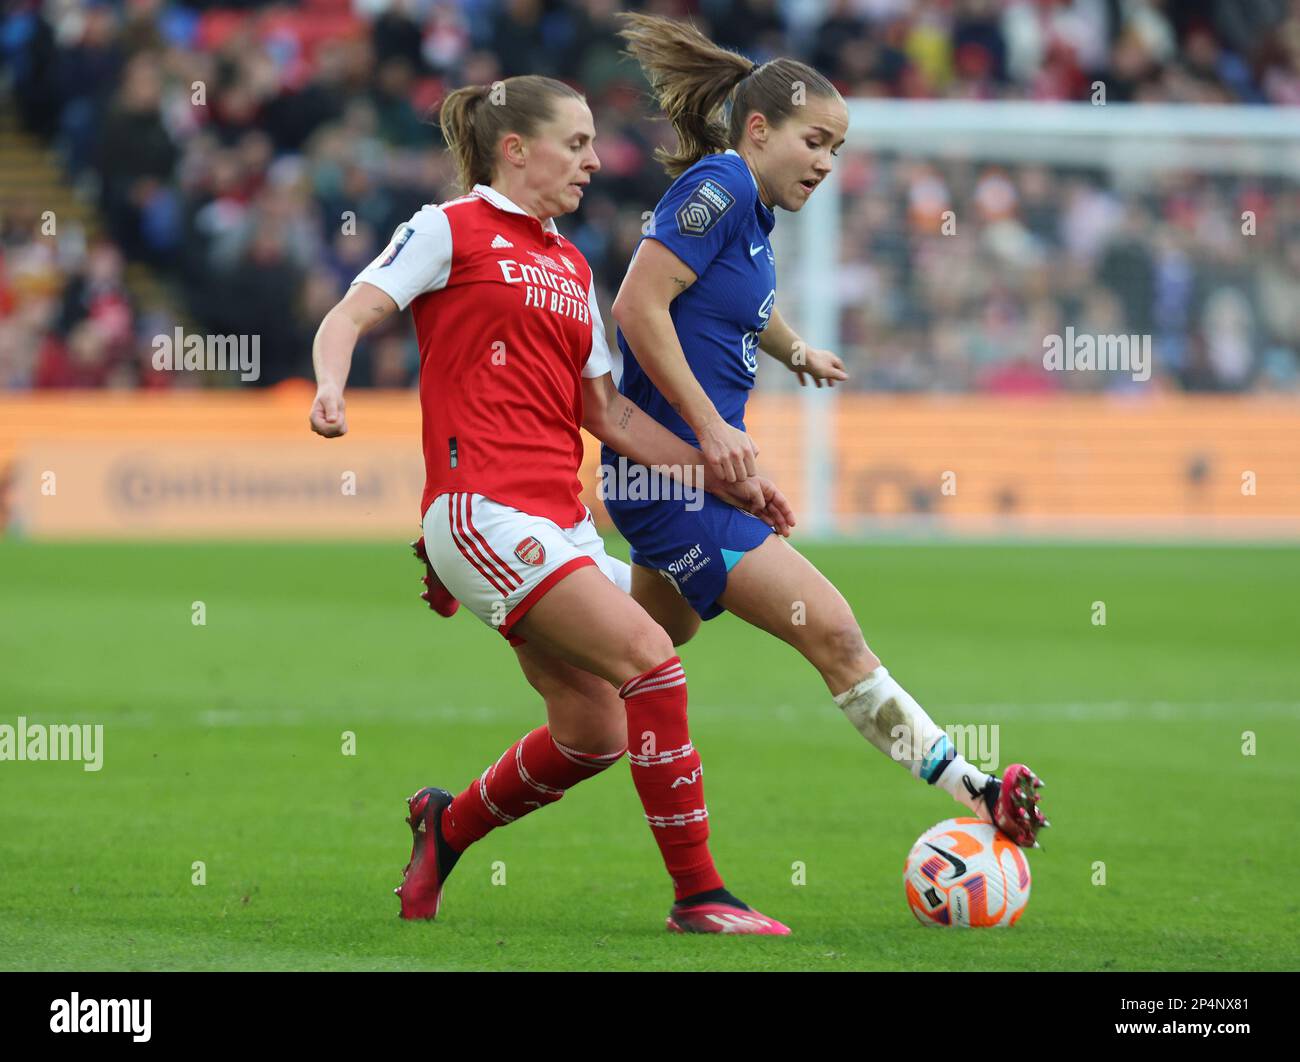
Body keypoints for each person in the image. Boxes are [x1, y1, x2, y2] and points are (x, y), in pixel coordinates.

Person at [309, 74, 797, 934]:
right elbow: (350, 313)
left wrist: (724, 473)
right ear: (514, 149)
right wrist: (330, 390)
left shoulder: (571, 265)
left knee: (594, 731)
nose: (594, 160)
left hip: (557, 523)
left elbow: (607, 415)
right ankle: (700, 897)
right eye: (576, 144)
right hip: (479, 512)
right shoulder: (447, 228)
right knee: (653, 656)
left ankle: (444, 828)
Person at [603, 13, 1049, 847]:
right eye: (815, 141)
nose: (826, 163)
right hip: (675, 483)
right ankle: (977, 787)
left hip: (679, 481)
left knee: (644, 654)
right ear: (760, 128)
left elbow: (741, 305)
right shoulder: (721, 188)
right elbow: (636, 303)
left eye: (836, 150)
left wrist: (797, 349)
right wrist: (712, 431)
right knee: (836, 633)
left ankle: (525, 657)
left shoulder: (752, 218)